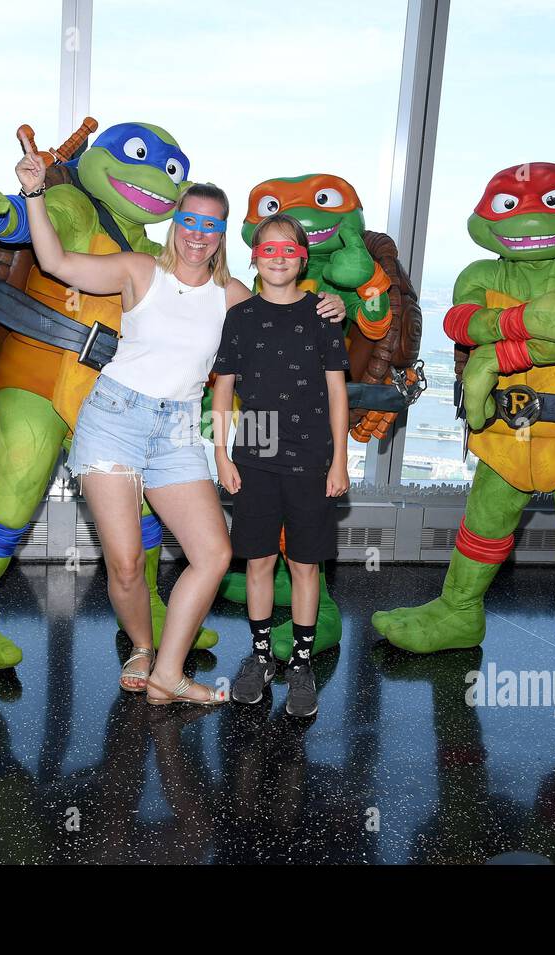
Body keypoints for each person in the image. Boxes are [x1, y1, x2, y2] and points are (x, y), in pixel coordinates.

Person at [12, 133, 347, 704]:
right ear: (176, 224)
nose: (198, 233)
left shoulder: (232, 296)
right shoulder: (139, 270)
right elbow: (56, 262)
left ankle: (168, 675)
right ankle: (141, 647)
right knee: (123, 567)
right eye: (190, 220)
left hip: (176, 431)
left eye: (212, 225)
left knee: (214, 555)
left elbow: (286, 309)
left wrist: (328, 304)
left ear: (220, 237)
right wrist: (36, 193)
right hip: (115, 419)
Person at [210, 214, 350, 717]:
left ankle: (303, 664)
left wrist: (340, 459)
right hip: (257, 445)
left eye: (288, 250)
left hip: (313, 454)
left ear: (302, 258)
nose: (277, 258)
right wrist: (222, 454)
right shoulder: (240, 317)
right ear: (254, 257)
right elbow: (223, 387)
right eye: (267, 250)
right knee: (260, 561)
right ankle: (262, 656)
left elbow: (337, 390)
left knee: (305, 564)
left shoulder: (324, 315)